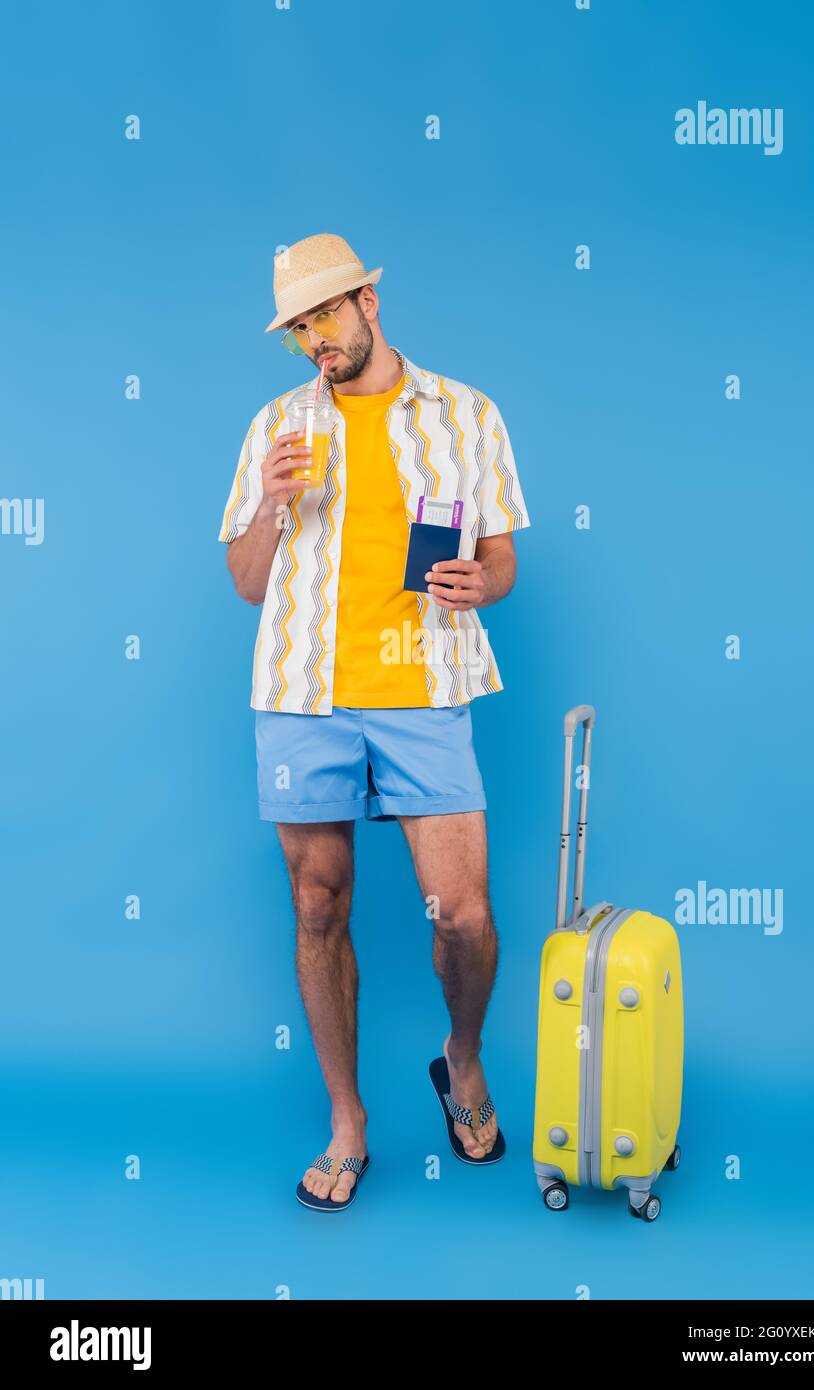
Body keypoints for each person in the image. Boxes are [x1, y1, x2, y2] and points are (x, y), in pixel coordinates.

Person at [218, 233, 530, 1210]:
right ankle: (348, 1122)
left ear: (367, 303)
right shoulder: (277, 426)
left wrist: (484, 581)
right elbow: (246, 583)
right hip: (305, 696)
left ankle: (463, 1058)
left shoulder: (466, 414)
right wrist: (270, 506)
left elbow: (502, 559)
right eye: (298, 325)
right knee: (318, 906)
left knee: (464, 916)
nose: (314, 337)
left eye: (324, 314)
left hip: (422, 687)